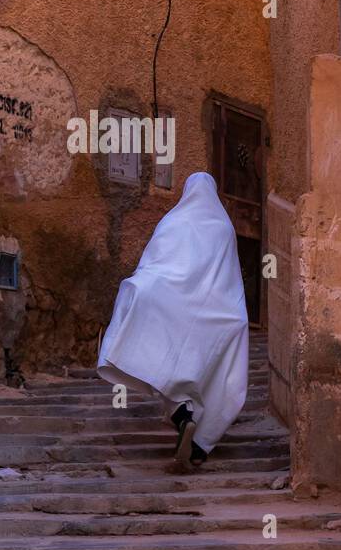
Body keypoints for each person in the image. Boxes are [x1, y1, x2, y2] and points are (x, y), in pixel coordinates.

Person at [97, 171, 249, 470]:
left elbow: (156, 261)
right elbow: (230, 275)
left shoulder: (173, 220)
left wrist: (143, 286)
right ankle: (198, 444)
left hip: (173, 307)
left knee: (166, 366)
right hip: (219, 316)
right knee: (212, 379)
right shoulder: (224, 227)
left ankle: (183, 417)